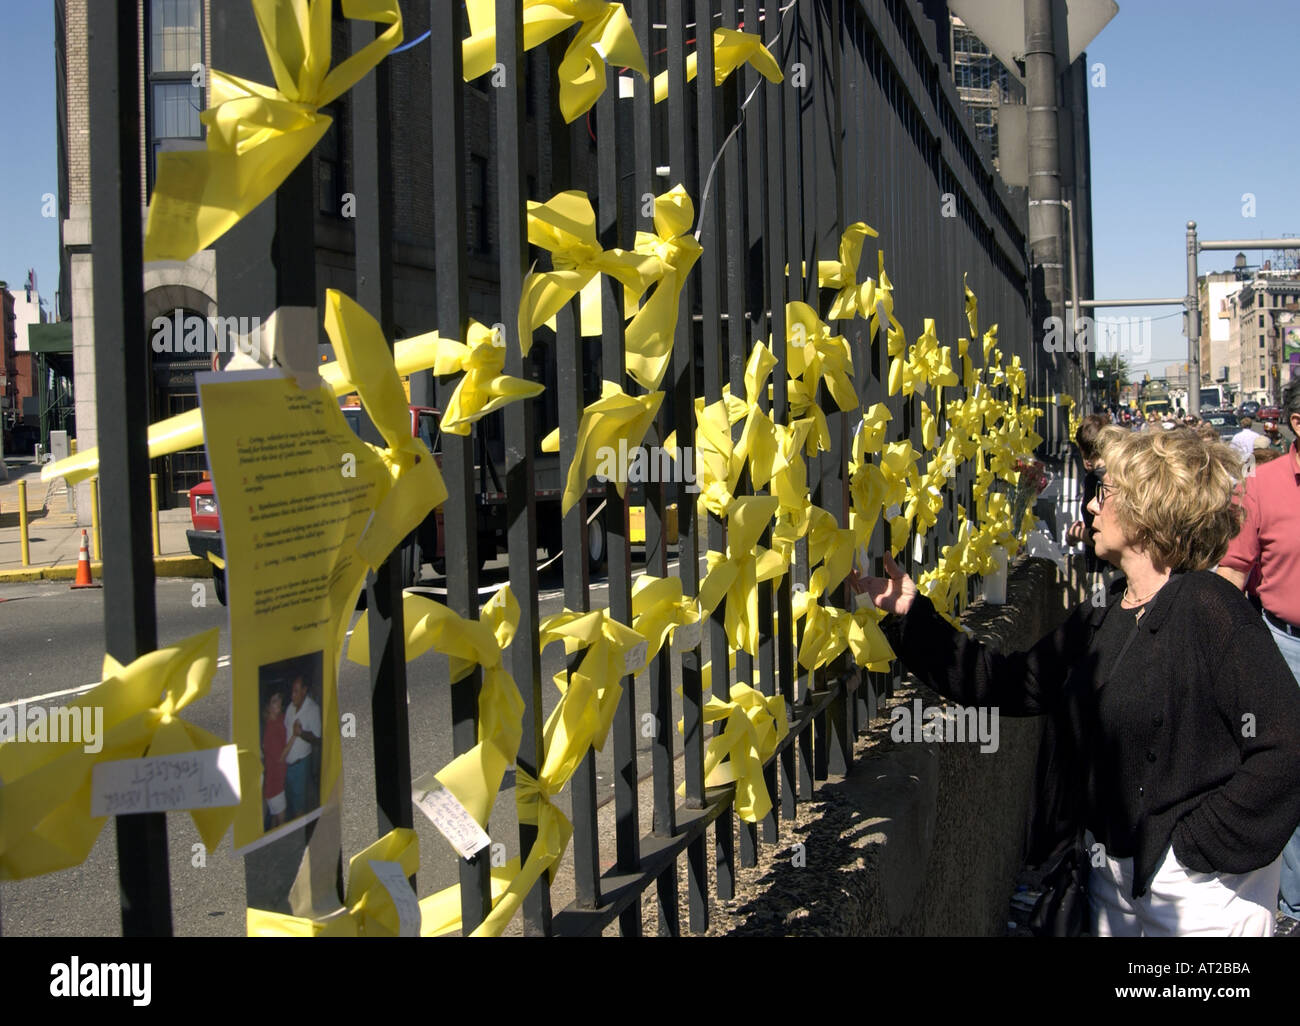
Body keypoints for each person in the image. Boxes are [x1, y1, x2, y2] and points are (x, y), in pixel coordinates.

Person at [855, 425, 1300, 936]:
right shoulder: (1107, 611)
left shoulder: (1208, 606)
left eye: (1105, 494)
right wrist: (911, 615)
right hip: (1113, 887)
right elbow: (1008, 682)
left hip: (1202, 899)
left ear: (1149, 508)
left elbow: (1285, 745)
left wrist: (1198, 849)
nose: (1090, 507)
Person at [1216, 378, 1300, 925]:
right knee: (1289, 777)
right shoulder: (1262, 488)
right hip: (1284, 651)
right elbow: (1230, 576)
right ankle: (1294, 908)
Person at [1064, 413, 1109, 572]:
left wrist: (1075, 533)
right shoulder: (1118, 473)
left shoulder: (1096, 479)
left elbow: (1102, 535)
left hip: (1103, 569)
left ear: (1083, 450)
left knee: (1099, 598)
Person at [283, 675, 322, 819]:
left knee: (299, 807)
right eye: (292, 691)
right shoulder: (290, 707)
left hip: (300, 765)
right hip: (287, 765)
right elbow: (285, 730)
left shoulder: (313, 709)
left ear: (304, 690)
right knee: (290, 802)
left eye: (296, 691)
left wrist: (301, 733)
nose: (292, 695)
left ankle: (301, 836)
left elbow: (318, 739)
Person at [261, 691, 289, 829]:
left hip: (278, 781)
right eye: (274, 701)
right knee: (281, 820)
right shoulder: (270, 731)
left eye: (279, 699)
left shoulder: (279, 718)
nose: (278, 703)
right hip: (275, 786)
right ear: (268, 706)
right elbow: (281, 757)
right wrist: (295, 736)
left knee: (274, 817)